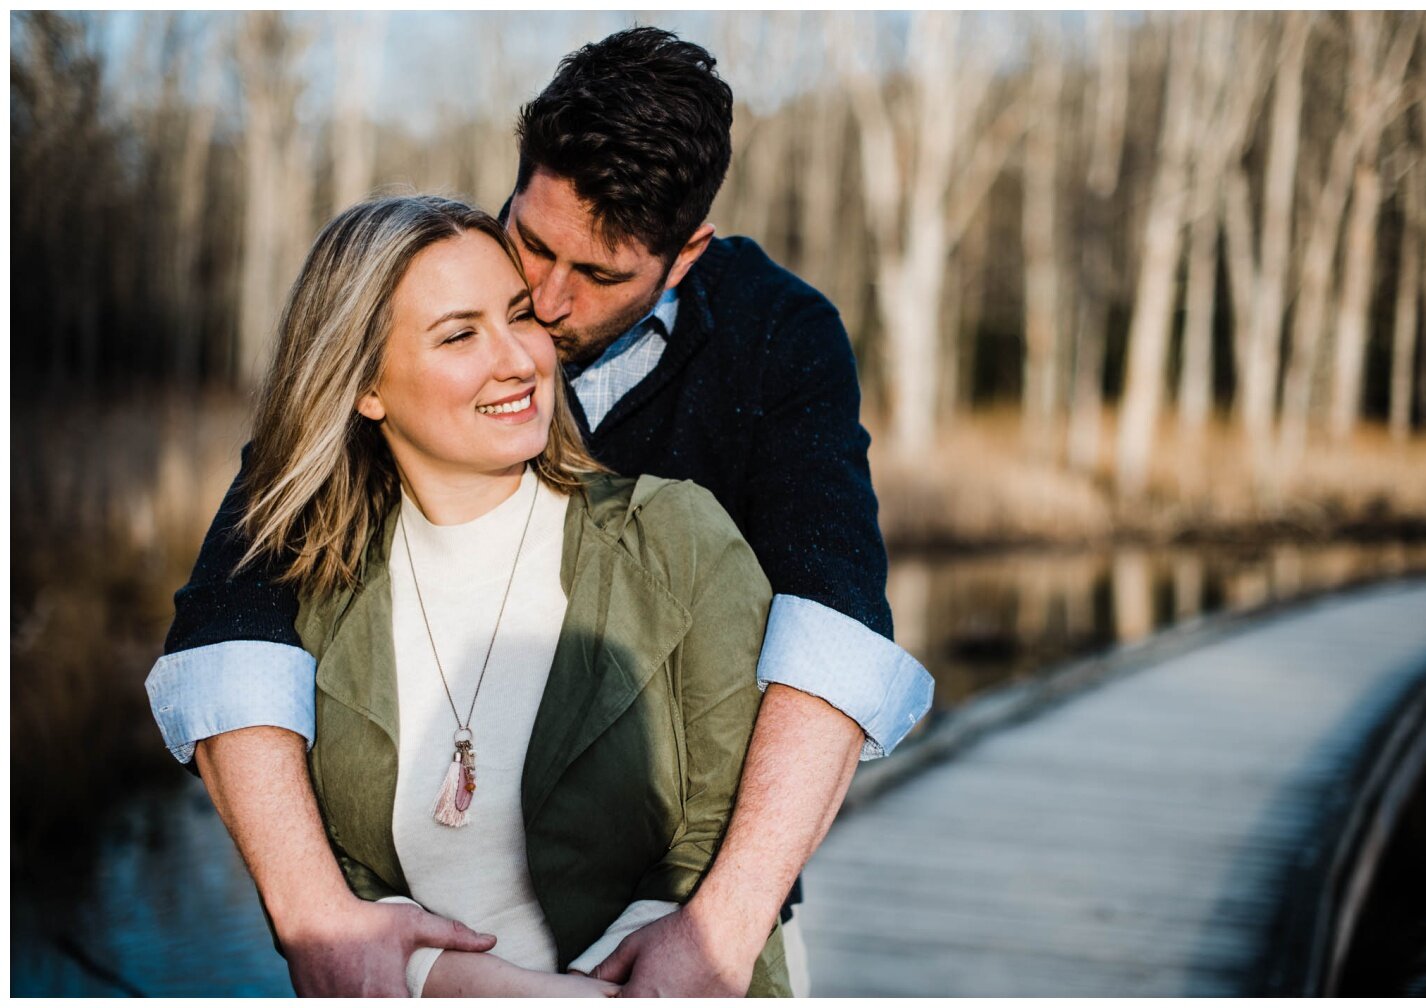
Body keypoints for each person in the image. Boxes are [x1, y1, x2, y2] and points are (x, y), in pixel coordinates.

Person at [147, 27, 931, 997]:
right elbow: (231, 629)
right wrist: (318, 919)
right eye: (531, 244)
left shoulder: (779, 338)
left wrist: (720, 934)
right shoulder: (410, 308)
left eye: (599, 276)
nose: (545, 307)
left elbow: (832, 628)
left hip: (693, 932)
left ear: (685, 255)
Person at [234, 192, 791, 996]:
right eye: (460, 334)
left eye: (520, 315)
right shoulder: (323, 585)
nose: (520, 358)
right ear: (366, 389)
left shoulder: (672, 537)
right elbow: (329, 860)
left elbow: (727, 822)